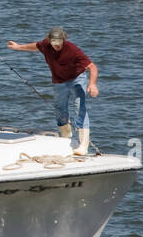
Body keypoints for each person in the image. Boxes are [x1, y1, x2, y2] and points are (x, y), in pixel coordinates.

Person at [7, 27, 99, 155]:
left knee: (79, 108)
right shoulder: (45, 44)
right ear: (49, 41)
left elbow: (92, 66)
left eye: (59, 43)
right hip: (59, 82)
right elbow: (35, 46)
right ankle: (67, 139)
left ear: (63, 40)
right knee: (60, 110)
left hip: (77, 79)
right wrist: (18, 47)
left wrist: (92, 84)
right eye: (54, 43)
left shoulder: (73, 50)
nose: (56, 46)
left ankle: (83, 145)